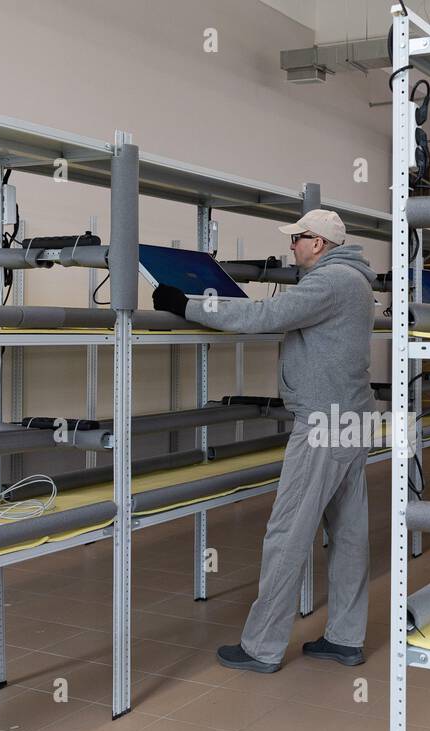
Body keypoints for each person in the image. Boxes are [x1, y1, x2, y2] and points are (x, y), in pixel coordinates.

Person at [152, 209, 376, 673]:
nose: (291, 247)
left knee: (287, 534)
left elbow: (263, 314)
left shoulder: (329, 282)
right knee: (349, 535)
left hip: (323, 425)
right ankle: (345, 638)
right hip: (353, 419)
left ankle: (262, 646)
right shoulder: (357, 280)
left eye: (297, 239)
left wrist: (186, 304)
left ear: (318, 243)